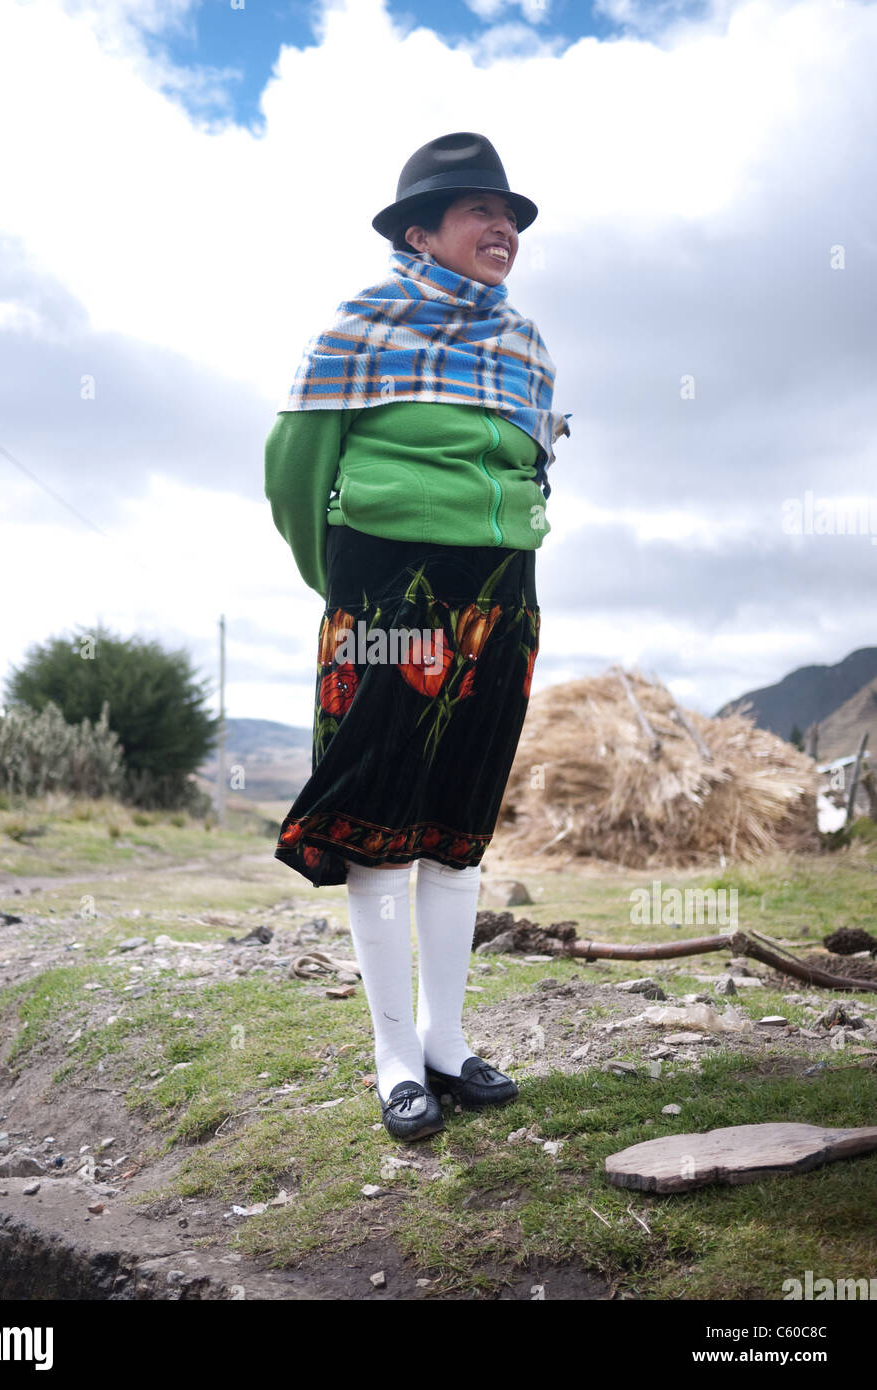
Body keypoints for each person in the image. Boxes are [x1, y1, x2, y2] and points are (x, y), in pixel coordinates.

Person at [263, 133, 571, 1141]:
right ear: (418, 232)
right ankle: (393, 1057)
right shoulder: (356, 332)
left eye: (511, 216)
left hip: (502, 601)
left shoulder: (526, 346)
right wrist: (356, 591)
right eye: (479, 212)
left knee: (457, 824)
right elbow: (296, 474)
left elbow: (533, 475)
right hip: (389, 602)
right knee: (380, 827)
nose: (503, 230)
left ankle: (447, 1039)